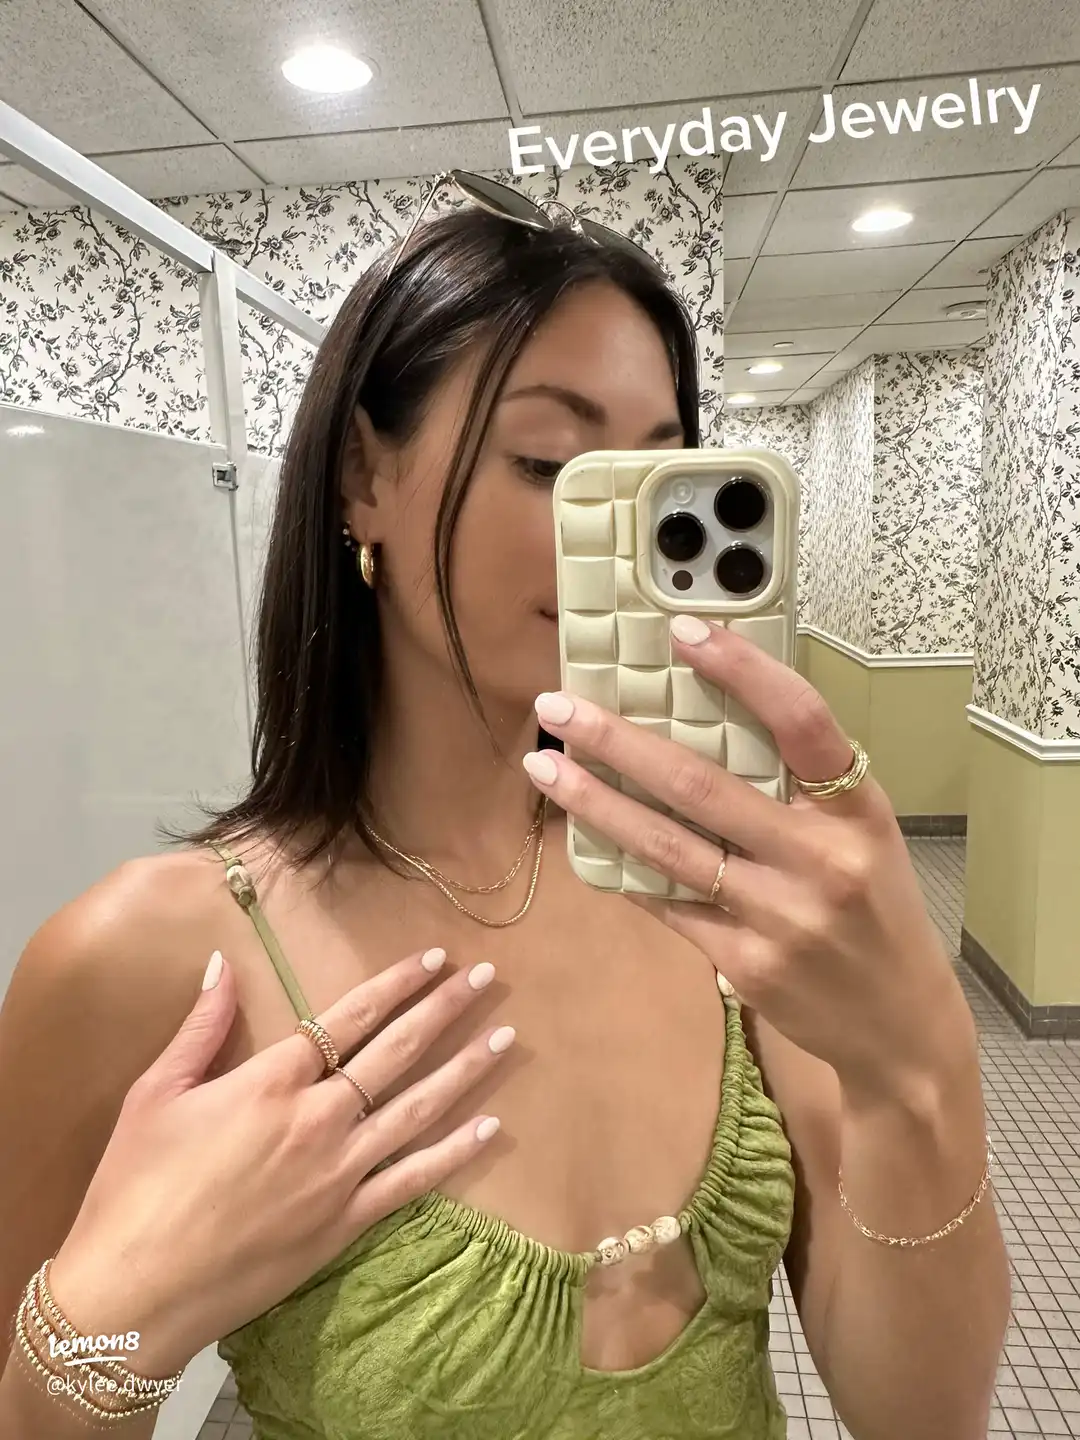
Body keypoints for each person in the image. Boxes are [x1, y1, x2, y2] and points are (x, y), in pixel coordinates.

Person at [0, 186, 1009, 1440]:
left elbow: (921, 1418)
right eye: (551, 466)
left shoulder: (724, 894)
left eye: (652, 480)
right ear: (364, 477)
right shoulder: (140, 962)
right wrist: (112, 1323)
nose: (614, 548)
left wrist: (919, 1065)